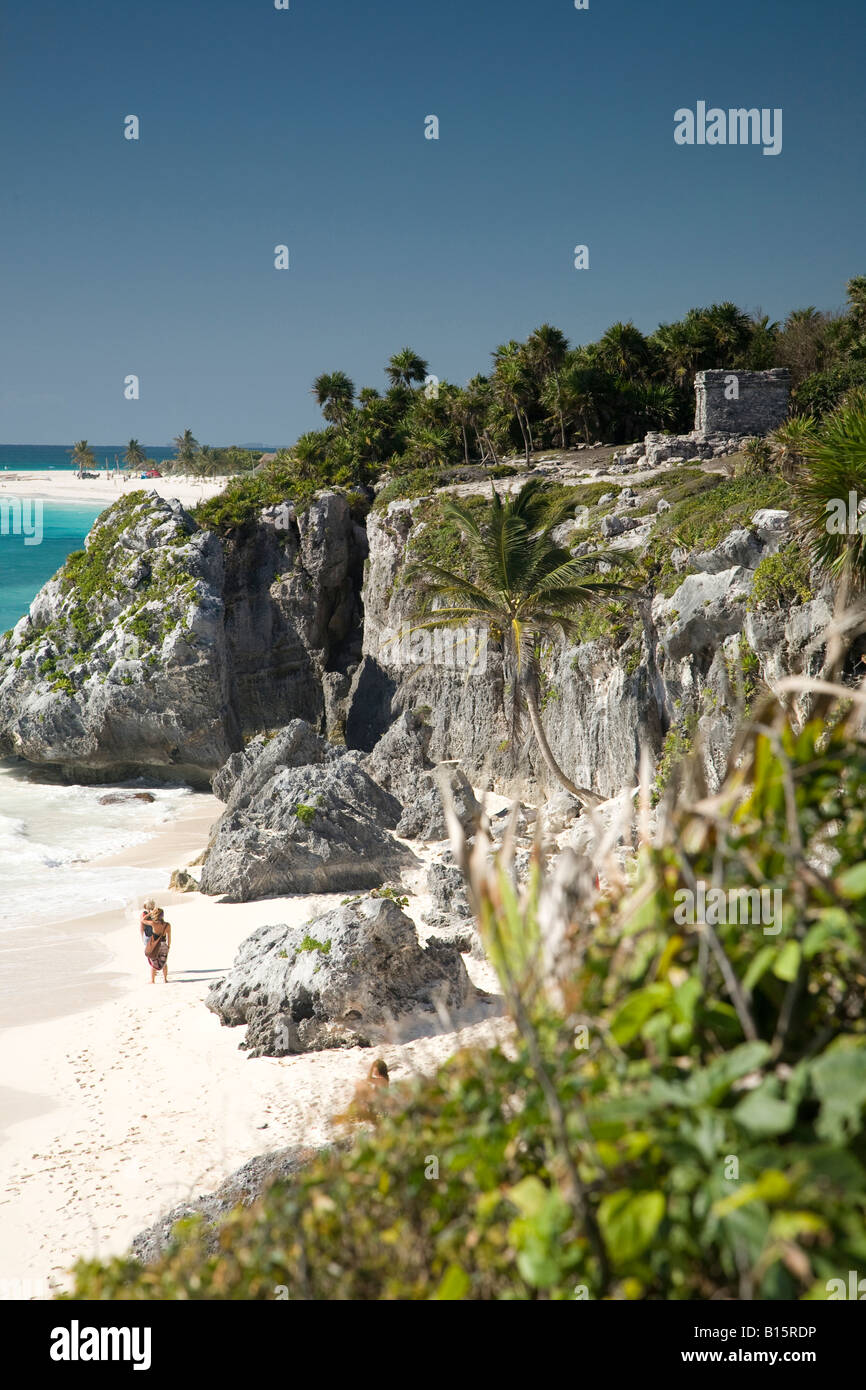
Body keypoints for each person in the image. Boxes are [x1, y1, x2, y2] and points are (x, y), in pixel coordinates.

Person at [143, 904, 171, 984]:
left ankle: (152, 980)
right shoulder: (167, 925)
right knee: (164, 963)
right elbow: (169, 937)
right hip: (164, 945)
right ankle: (165, 979)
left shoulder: (153, 923)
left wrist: (150, 913)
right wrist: (168, 946)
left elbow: (143, 920)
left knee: (154, 963)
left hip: (155, 946)